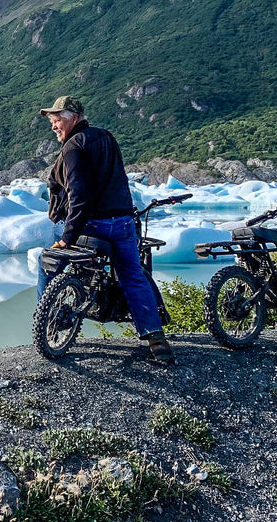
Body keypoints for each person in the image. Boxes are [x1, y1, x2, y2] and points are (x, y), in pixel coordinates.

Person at [37, 95, 175, 365]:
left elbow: (79, 196)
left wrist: (67, 238)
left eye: (57, 119)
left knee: (47, 261)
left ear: (73, 117)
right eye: (52, 121)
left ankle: (45, 319)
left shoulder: (72, 147)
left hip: (91, 225)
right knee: (133, 275)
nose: (53, 125)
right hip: (122, 223)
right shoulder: (106, 138)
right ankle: (156, 340)